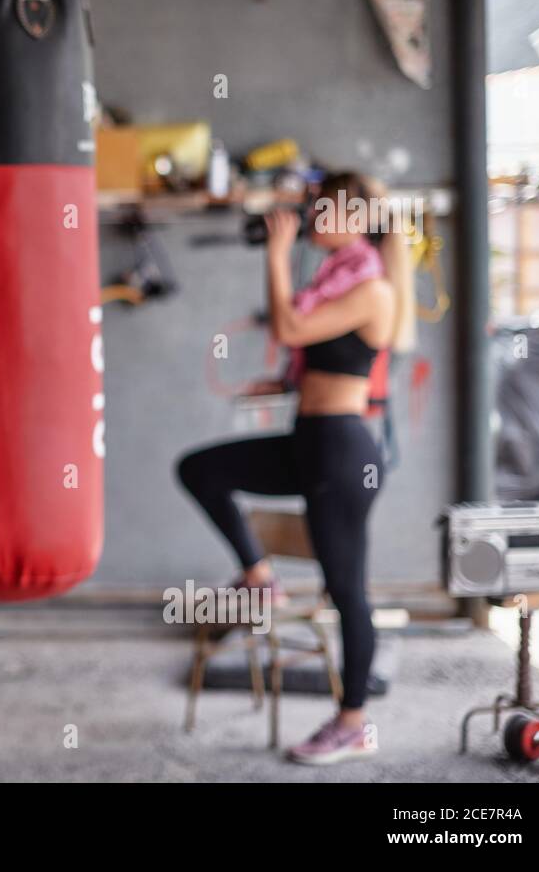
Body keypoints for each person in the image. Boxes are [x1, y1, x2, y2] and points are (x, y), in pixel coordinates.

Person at [174, 171, 406, 765]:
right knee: (201, 469)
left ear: (355, 219)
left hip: (343, 452)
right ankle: (260, 575)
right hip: (310, 440)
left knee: (347, 592)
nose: (309, 215)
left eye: (321, 207)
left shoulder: (373, 289)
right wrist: (283, 381)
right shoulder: (332, 280)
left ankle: (353, 721)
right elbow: (319, 349)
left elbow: (289, 327)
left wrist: (276, 255)